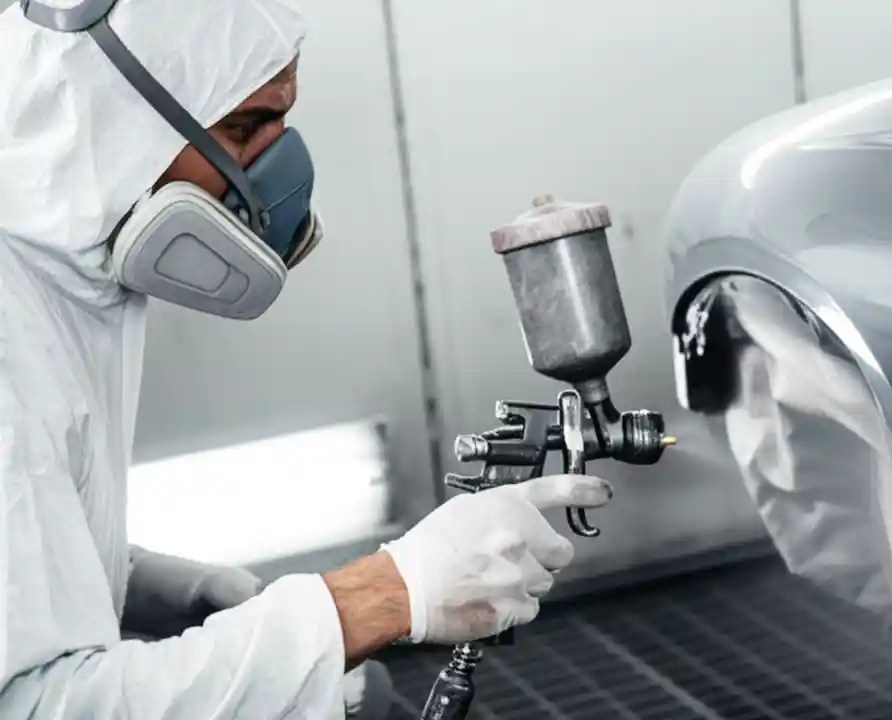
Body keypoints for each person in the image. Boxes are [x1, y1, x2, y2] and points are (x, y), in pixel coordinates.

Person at [0, 0, 613, 717]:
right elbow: (33, 704)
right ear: (115, 123)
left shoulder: (68, 273)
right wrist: (380, 597)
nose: (276, 175)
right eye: (244, 128)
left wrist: (151, 588)